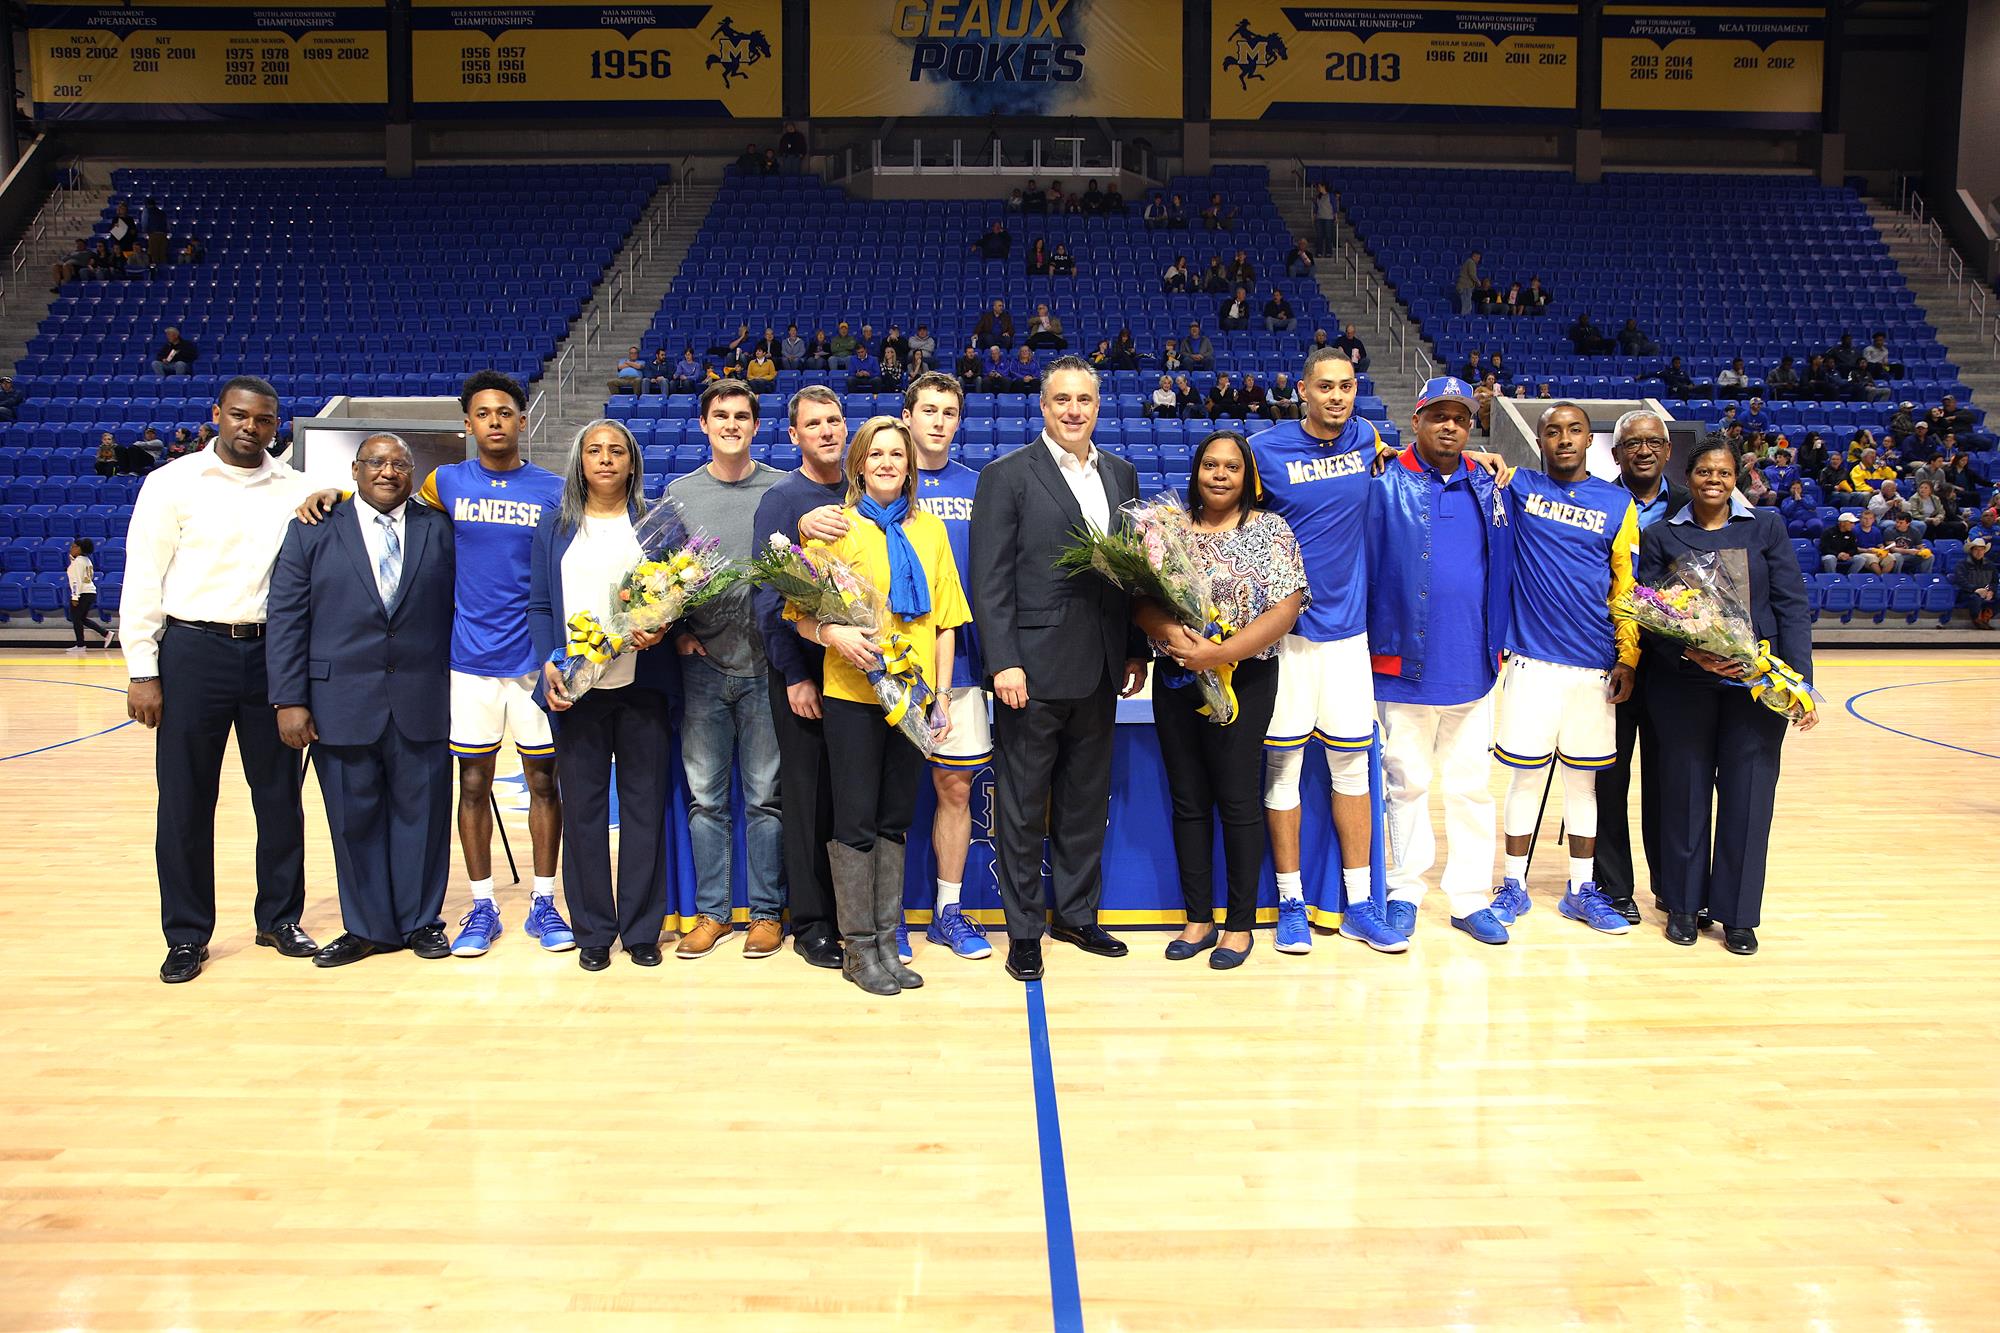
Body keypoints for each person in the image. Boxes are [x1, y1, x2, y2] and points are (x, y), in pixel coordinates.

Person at [122, 378, 321, 984]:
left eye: (262, 420)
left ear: (276, 425)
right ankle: (186, 935)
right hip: (191, 651)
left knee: (280, 799)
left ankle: (279, 917)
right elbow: (143, 576)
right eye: (238, 416)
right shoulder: (171, 483)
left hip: (272, 656)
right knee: (184, 802)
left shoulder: (298, 488)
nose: (249, 428)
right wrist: (142, 669)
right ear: (216, 415)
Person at [969, 358, 1147, 981]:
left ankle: (1075, 913)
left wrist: (1132, 649)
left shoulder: (1121, 474)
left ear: (1098, 406)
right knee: (1022, 807)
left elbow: (1129, 576)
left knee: (1083, 801)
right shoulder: (1006, 476)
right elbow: (988, 582)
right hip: (1031, 674)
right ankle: (1024, 930)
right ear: (1043, 407)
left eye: (1086, 400)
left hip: (1099, 669)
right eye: (1062, 400)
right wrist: (1004, 663)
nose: (1074, 410)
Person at [788, 417, 970, 994]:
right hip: (852, 695)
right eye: (877, 454)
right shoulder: (832, 528)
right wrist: (833, 637)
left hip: (912, 697)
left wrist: (940, 697)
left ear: (909, 463)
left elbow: (945, 623)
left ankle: (888, 941)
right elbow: (798, 613)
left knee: (896, 817)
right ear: (859, 463)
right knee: (856, 821)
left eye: (898, 453)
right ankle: (858, 948)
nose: (888, 462)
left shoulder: (932, 532)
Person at [266, 433, 455, 967]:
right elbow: (287, 617)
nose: (388, 471)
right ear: (355, 469)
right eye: (376, 462)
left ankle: (421, 921)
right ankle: (368, 926)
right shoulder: (312, 530)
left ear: (413, 474)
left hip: (422, 699)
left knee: (423, 817)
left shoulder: (439, 529)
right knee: (353, 820)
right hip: (338, 700)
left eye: (400, 463)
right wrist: (289, 699)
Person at [1638, 438, 1815, 954]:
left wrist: (1797, 683)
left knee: (1749, 797)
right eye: (1703, 472)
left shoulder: (1766, 527)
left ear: (1736, 477)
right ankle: (1684, 907)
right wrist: (1690, 655)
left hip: (1756, 685)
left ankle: (1738, 915)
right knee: (1684, 795)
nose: (1713, 480)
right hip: (1684, 686)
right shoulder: (1661, 535)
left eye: (1724, 472)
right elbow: (1650, 615)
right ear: (1688, 476)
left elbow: (1791, 606)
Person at [1136, 433, 1306, 968]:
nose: (1220, 474)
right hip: (1179, 674)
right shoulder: (1166, 528)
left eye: (1232, 466)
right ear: (1197, 470)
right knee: (1188, 799)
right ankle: (1197, 919)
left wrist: (1223, 652)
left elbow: (1288, 605)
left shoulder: (1271, 529)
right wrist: (1175, 639)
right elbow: (1139, 596)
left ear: (1247, 474)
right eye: (1210, 464)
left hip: (1248, 679)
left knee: (1236, 798)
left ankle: (1239, 923)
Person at [1247, 347, 1396, 953]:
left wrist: (1481, 456)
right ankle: (1289, 902)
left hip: (1348, 638)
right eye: (1326, 387)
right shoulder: (1265, 450)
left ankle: (1359, 903)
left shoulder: (1367, 440)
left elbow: (1417, 460)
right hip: (1284, 639)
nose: (1337, 396)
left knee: (1352, 770)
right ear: (1302, 390)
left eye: (1347, 387)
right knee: (1281, 770)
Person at [1367, 380, 1516, 944]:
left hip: (1474, 665)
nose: (1450, 427)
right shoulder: (1383, 482)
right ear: (1417, 421)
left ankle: (1471, 897)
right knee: (1405, 784)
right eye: (1438, 417)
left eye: (1461, 418)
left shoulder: (1492, 484)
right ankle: (1404, 889)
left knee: (1471, 786)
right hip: (1401, 663)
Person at [527, 421, 675, 970]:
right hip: (575, 689)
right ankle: (592, 930)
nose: (606, 459)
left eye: (617, 451)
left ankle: (640, 930)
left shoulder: (656, 522)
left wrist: (663, 628)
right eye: (595, 450)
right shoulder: (556, 524)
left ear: (632, 463)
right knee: (584, 812)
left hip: (644, 688)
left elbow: (680, 595)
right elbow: (539, 604)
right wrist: (547, 659)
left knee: (643, 810)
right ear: (580, 460)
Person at [1490, 402, 1639, 937]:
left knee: (1584, 784)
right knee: (1524, 777)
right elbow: (1470, 465)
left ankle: (1580, 889)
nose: (1564, 439)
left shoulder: (1617, 503)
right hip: (1531, 661)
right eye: (1553, 431)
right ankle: (1511, 883)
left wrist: (1629, 655)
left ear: (1589, 438)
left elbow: (1625, 588)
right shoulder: (1518, 485)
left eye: (1574, 429)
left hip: (1594, 667)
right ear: (1540, 439)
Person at [666, 380, 786, 957]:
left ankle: (766, 914)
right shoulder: (679, 494)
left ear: (755, 426)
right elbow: (659, 580)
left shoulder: (783, 490)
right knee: (706, 799)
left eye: (742, 415)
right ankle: (712, 914)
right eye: (721, 415)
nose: (732, 424)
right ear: (704, 425)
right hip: (704, 669)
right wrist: (681, 633)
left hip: (768, 667)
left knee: (765, 797)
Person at [753, 387, 853, 969]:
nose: (826, 430)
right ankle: (811, 922)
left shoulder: (864, 490)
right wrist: (794, 675)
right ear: (794, 436)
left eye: (834, 420)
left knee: (851, 799)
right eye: (813, 423)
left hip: (863, 669)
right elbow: (769, 594)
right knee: (807, 797)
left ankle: (853, 917)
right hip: (806, 672)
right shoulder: (781, 499)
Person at [903, 374, 995, 962]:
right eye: (929, 410)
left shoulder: (982, 486)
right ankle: (884, 916)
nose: (939, 421)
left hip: (960, 666)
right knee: (883, 794)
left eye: (950, 412)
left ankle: (947, 910)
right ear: (906, 415)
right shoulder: (881, 483)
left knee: (955, 786)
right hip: (888, 666)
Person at [1590, 412, 1691, 922]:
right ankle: (1613, 886)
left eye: (1654, 442)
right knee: (1609, 776)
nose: (1643, 450)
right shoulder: (1600, 502)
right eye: (1632, 443)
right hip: (1612, 659)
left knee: (1670, 779)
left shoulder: (1697, 506)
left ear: (1668, 451)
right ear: (1615, 454)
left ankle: (1673, 888)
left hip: (1679, 667)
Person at [64, 538, 113, 653]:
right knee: (81, 618)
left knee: (76, 619)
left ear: (79, 549)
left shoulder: (77, 563)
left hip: (82, 593)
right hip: (90, 592)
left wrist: (75, 596)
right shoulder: (86, 560)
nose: (71, 549)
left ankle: (80, 645)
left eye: (74, 546)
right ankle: (105, 633)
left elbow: (76, 581)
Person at [1953, 535, 1995, 627]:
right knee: (1975, 598)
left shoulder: (1990, 565)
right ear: (1971, 550)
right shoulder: (1962, 564)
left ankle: (1986, 617)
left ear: (1984, 551)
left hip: (1985, 591)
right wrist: (1975, 589)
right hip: (1967, 592)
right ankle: (1977, 619)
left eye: (1981, 549)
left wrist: (1991, 590)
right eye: (1976, 549)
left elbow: (1994, 581)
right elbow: (1961, 581)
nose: (1979, 552)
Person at [1456, 250, 1481, 315]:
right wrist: (1478, 282)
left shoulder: (1468, 262)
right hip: (1465, 287)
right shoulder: (1471, 262)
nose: (1479, 260)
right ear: (1474, 256)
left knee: (1466, 306)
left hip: (1463, 287)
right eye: (1478, 258)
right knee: (1467, 307)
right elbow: (1472, 274)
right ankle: (1464, 320)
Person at [1313, 182, 1336, 253]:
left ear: (1323, 187)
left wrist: (1336, 217)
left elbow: (1334, 207)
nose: (1318, 188)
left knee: (1328, 235)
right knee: (1319, 235)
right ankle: (1319, 251)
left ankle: (1328, 251)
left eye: (1319, 186)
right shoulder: (1318, 197)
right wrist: (1314, 215)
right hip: (1320, 218)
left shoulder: (1330, 196)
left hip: (1328, 218)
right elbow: (1316, 207)